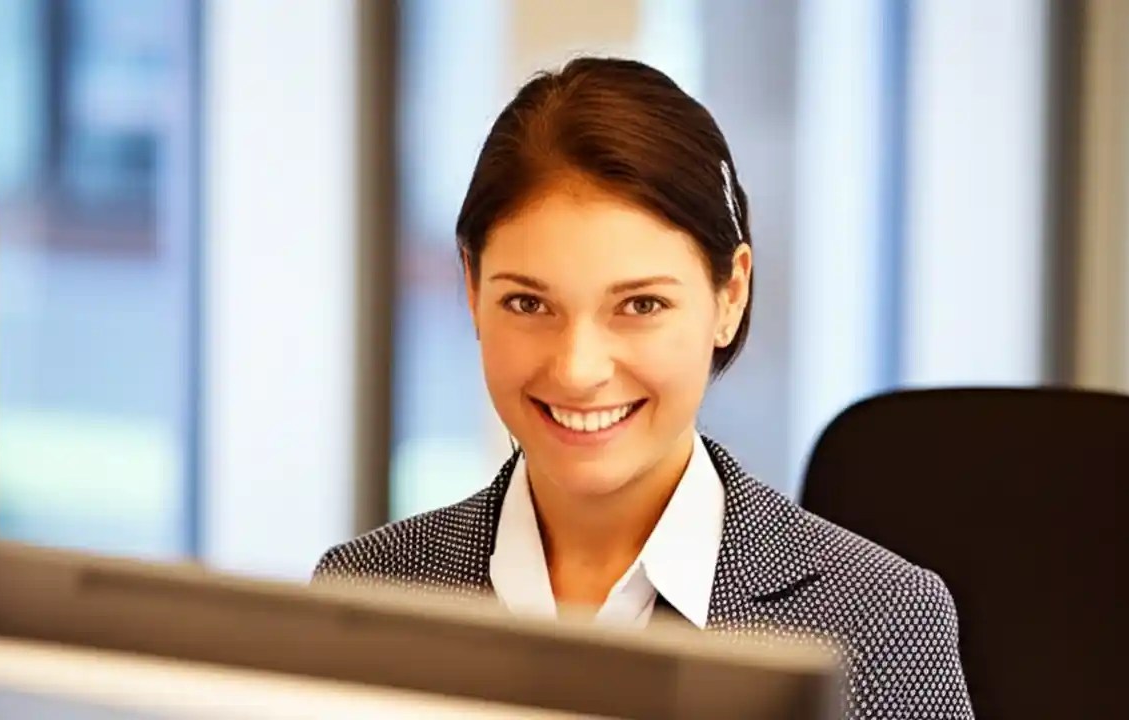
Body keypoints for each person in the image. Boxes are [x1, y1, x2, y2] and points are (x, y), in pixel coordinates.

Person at [314, 57, 973, 719]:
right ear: (472, 287)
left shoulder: (879, 621)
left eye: (640, 306)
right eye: (528, 304)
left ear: (729, 294)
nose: (577, 369)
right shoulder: (371, 593)